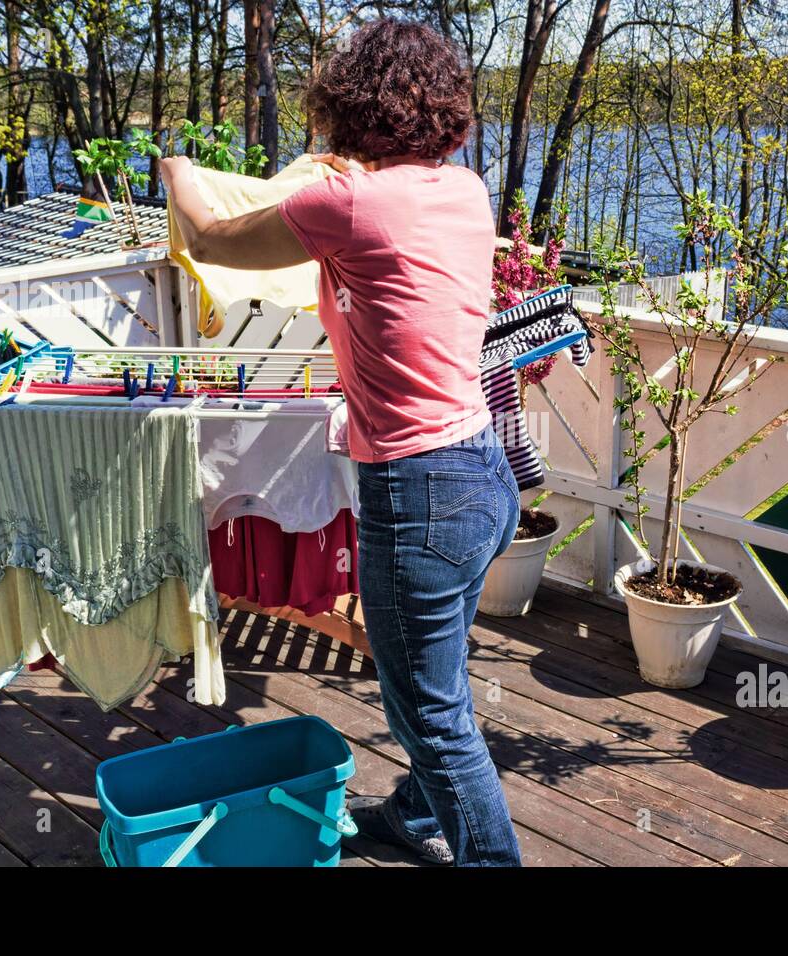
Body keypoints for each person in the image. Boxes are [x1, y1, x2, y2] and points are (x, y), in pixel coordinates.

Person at [160, 18, 522, 867]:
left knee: (430, 714)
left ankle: (492, 859)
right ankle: (419, 813)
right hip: (485, 477)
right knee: (438, 691)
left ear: (348, 106)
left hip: (419, 492)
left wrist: (178, 171)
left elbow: (213, 235)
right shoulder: (467, 190)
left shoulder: (344, 202)